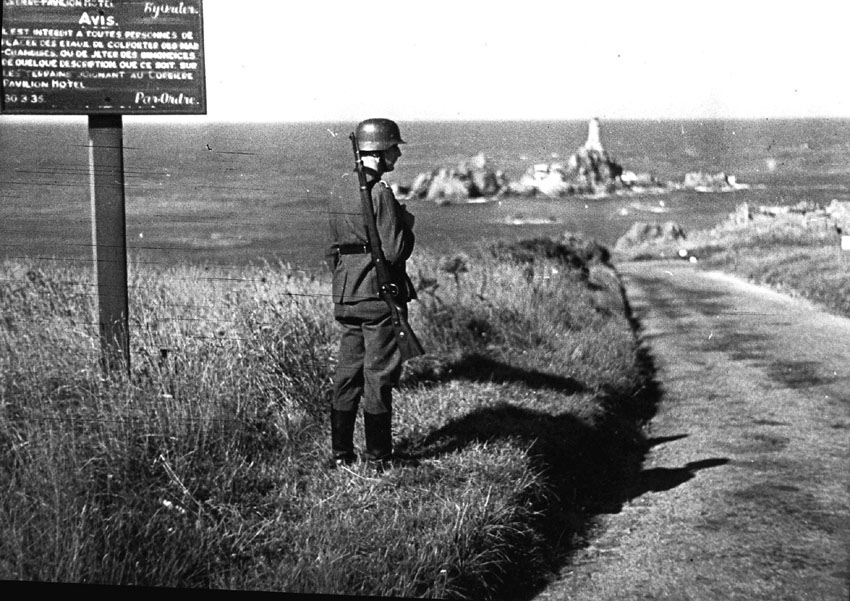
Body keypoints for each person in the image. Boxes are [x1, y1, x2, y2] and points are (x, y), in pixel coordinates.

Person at [325, 118, 417, 469]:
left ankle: (341, 454)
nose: (397, 153)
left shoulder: (338, 188)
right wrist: (406, 225)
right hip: (377, 296)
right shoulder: (379, 192)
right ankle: (378, 457)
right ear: (380, 151)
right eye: (394, 147)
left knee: (348, 372)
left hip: (346, 293)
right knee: (378, 374)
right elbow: (394, 251)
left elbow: (332, 248)